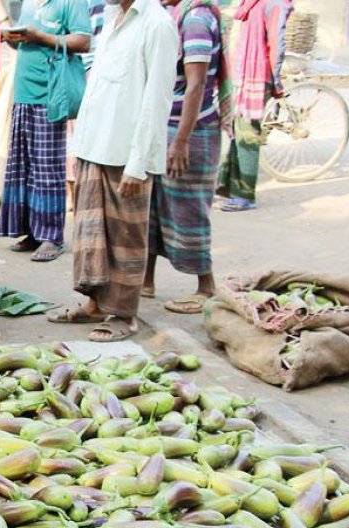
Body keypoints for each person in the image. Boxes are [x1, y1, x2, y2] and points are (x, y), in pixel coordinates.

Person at [48, 0, 177, 342]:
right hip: (95, 144)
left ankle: (124, 314)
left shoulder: (157, 25)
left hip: (127, 153)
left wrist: (138, 164)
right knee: (92, 236)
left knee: (125, 240)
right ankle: (93, 304)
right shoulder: (111, 17)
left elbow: (156, 99)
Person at [143, 0, 231, 313]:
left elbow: (197, 84)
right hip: (167, 125)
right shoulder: (175, 15)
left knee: (188, 209)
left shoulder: (196, 19)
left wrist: (180, 141)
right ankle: (146, 280)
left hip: (191, 130)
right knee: (153, 205)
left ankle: (206, 287)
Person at [0, 0, 91, 263]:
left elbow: (83, 41)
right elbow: (27, 39)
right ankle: (30, 231)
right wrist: (12, 38)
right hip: (23, 92)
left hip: (50, 94)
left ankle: (52, 236)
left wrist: (40, 37)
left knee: (47, 169)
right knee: (23, 166)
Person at [216, 0, 291, 212]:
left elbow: (278, 43)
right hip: (242, 74)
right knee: (236, 131)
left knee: (247, 133)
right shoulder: (249, 4)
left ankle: (245, 195)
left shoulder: (275, 4)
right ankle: (229, 186)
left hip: (257, 75)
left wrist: (276, 81)